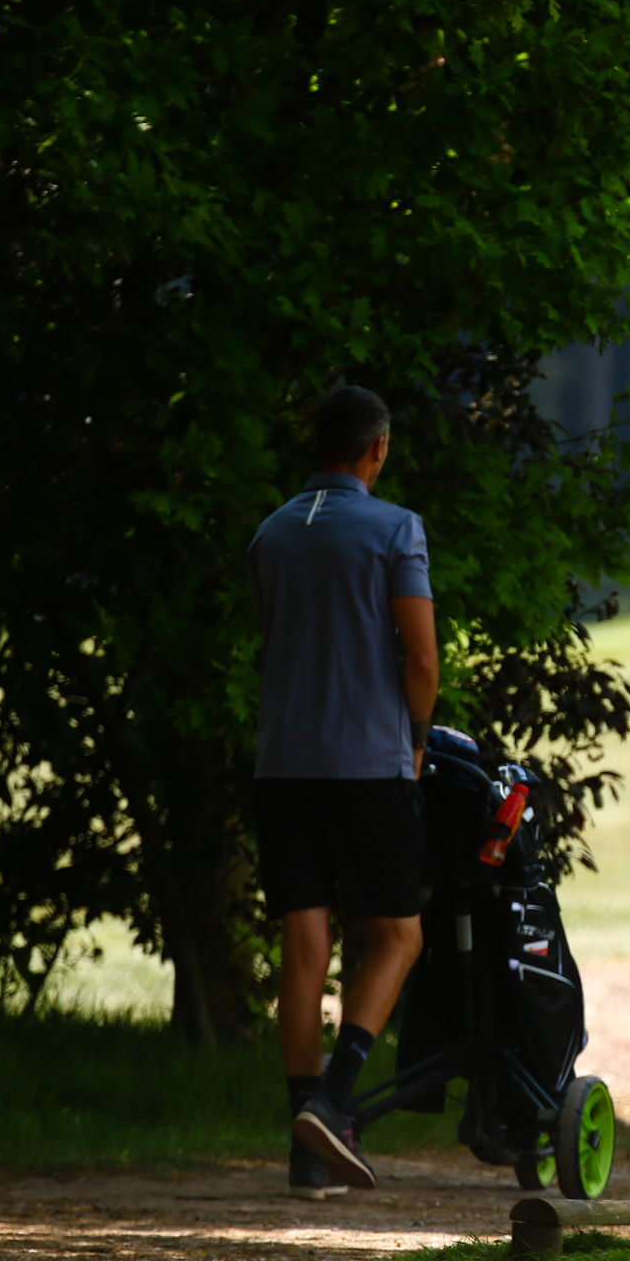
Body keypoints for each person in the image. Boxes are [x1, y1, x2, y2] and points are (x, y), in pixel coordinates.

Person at [248, 385, 437, 1199]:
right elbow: (420, 657)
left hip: (282, 763)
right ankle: (336, 1100)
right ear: (377, 449)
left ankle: (304, 1151)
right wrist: (419, 736)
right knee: (398, 934)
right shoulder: (396, 528)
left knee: (303, 947)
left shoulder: (270, 534)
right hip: (368, 763)